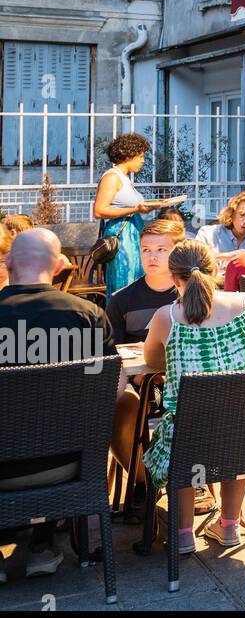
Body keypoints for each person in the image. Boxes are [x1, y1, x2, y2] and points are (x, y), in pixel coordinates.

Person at [141, 240, 245, 552]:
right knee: (237, 427)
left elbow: (152, 363)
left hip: (191, 437)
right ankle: (229, 525)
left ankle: (182, 533)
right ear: (215, 270)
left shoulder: (167, 317)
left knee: (176, 429)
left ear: (174, 278)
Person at [0, 228, 122, 579]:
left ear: (8, 262)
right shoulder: (88, 315)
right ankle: (41, 546)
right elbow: (112, 388)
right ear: (57, 268)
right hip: (69, 465)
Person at [93, 132, 169, 298]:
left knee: (136, 277)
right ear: (129, 155)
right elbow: (99, 210)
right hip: (122, 235)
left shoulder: (124, 179)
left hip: (132, 234)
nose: (143, 161)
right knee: (124, 278)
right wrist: (136, 209)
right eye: (140, 156)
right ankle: (120, 320)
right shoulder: (112, 177)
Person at [106, 217, 183, 343]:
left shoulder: (193, 296)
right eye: (146, 250)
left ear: (178, 252)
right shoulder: (120, 300)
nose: (152, 257)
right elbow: (109, 355)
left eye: (161, 249)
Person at [195, 190, 245, 259]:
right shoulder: (209, 233)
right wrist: (226, 256)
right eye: (242, 215)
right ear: (231, 214)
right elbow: (193, 259)